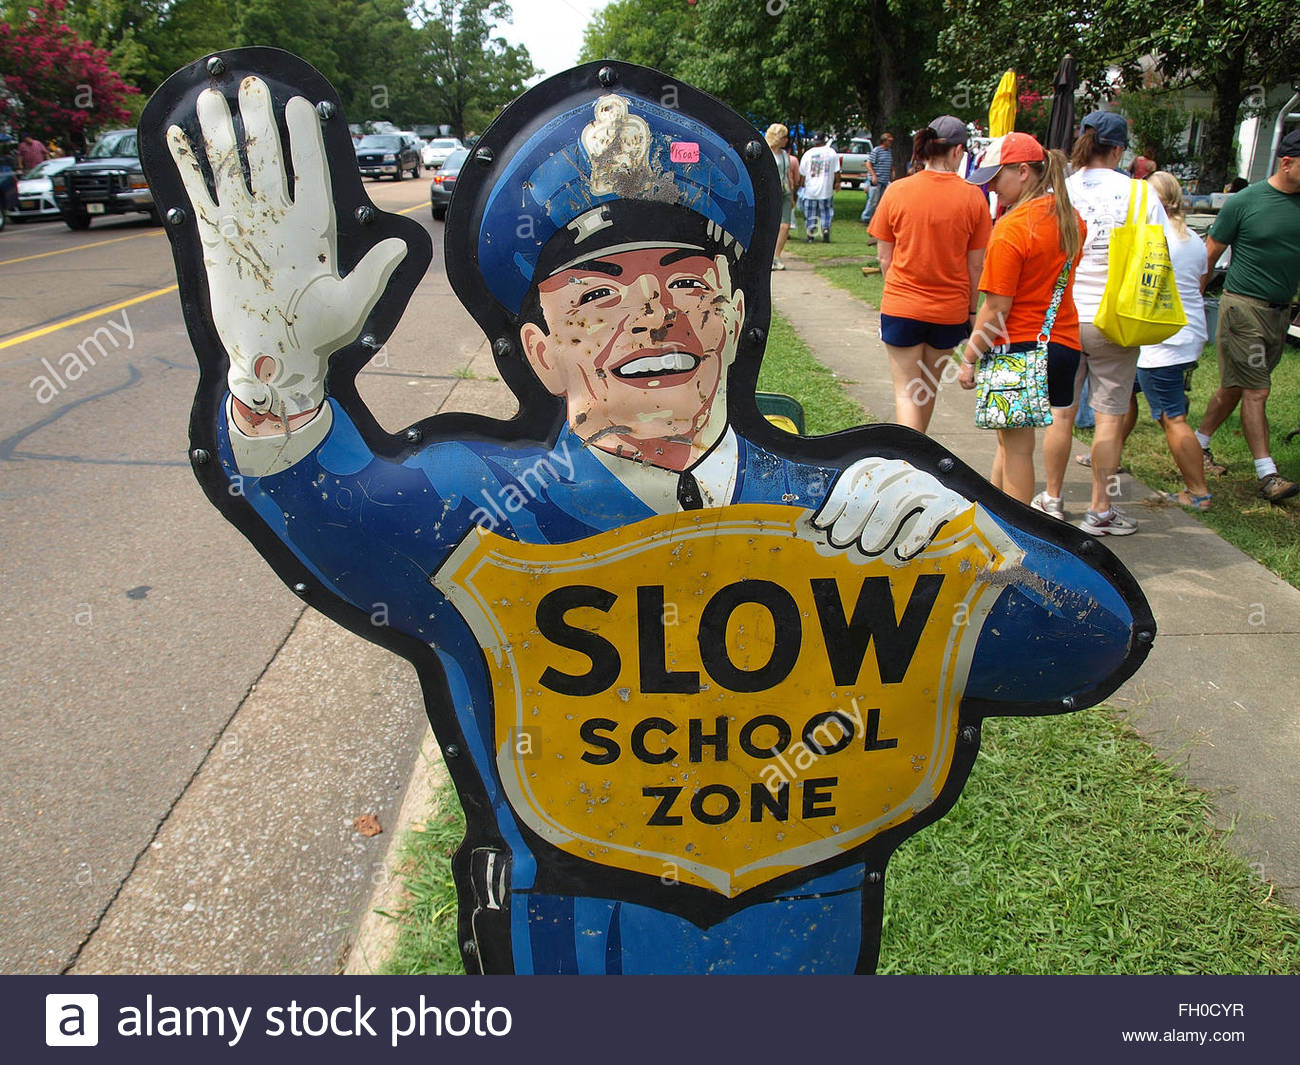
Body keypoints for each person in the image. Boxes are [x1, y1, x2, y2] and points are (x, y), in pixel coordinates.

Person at [153, 62, 1144, 974]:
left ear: (735, 315)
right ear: (538, 350)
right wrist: (274, 383)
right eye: (595, 291)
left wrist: (977, 550)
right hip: (567, 961)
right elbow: (329, 508)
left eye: (683, 279)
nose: (652, 314)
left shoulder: (844, 519)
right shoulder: (477, 510)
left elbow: (1088, 649)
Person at [1036, 110, 1174, 534]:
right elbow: (1160, 251)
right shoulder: (1140, 194)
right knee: (1110, 416)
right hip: (1116, 318)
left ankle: (1053, 500)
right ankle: (1101, 510)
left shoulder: (1061, 189)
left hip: (1063, 316)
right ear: (1117, 149)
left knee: (1061, 414)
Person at [956, 133, 1085, 504]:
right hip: (1061, 345)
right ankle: (995, 518)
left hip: (1018, 350)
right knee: (1008, 440)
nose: (993, 188)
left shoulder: (1012, 228)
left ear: (1024, 171)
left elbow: (996, 308)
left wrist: (968, 359)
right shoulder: (1070, 219)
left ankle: (1016, 541)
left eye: (997, 179)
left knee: (1016, 449)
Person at [1194, 128, 1300, 503]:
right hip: (1243, 308)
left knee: (1235, 387)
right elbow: (1208, 252)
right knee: (1257, 390)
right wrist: (1195, 297)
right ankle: (1267, 475)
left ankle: (1197, 446)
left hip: (1280, 311)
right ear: (1286, 162)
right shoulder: (1246, 201)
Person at [868, 115, 991, 433]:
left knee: (906, 392)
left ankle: (909, 464)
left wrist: (901, 288)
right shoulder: (973, 197)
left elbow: (884, 257)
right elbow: (976, 265)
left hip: (902, 306)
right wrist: (973, 311)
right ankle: (918, 461)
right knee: (927, 390)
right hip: (949, 311)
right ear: (957, 151)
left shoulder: (897, 191)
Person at [1131, 171, 1214, 510]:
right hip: (1188, 334)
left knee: (1172, 417)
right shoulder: (1193, 239)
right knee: (1123, 393)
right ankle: (1103, 455)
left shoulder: (1152, 238)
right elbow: (1200, 284)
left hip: (1161, 343)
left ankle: (1198, 491)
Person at [764, 123, 799, 270]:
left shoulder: (785, 155)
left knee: (785, 226)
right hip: (769, 193)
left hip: (784, 192)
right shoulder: (766, 153)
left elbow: (788, 175)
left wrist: (791, 195)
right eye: (784, 137)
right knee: (769, 226)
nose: (787, 140)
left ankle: (776, 256)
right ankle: (767, 257)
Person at [799, 130, 839, 242]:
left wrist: (801, 186)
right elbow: (837, 170)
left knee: (810, 213)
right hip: (826, 189)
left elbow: (802, 173)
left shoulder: (808, 154)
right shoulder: (831, 153)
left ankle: (810, 234)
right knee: (826, 211)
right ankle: (826, 229)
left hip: (810, 189)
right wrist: (837, 182)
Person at [859, 132, 894, 228]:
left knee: (881, 201)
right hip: (876, 180)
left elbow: (890, 164)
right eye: (889, 141)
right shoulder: (876, 150)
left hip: (885, 180)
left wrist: (892, 172)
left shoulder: (889, 151)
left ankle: (877, 219)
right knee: (873, 200)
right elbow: (868, 163)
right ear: (884, 141)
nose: (891, 143)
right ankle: (866, 218)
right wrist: (873, 176)